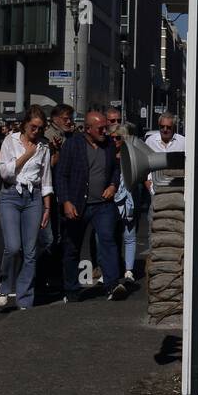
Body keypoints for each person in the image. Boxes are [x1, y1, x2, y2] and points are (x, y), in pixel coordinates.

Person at [54, 110, 125, 302]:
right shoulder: (73, 145)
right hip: (78, 204)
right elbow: (60, 175)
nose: (105, 131)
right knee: (72, 247)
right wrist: (66, 201)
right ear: (87, 129)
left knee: (108, 240)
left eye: (106, 127)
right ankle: (71, 290)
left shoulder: (109, 144)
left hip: (103, 204)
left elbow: (115, 168)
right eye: (100, 128)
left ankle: (112, 285)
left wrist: (113, 185)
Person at [0, 105, 53, 311]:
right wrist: (27, 154)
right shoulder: (10, 141)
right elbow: (6, 173)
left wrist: (47, 208)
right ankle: (4, 284)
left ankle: (24, 299)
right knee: (13, 247)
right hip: (10, 195)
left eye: (40, 128)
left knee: (29, 252)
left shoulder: (45, 147)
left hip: (34, 198)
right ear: (25, 124)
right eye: (33, 127)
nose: (36, 132)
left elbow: (46, 179)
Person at [112, 127, 137, 283]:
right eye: (112, 137)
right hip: (110, 198)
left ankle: (129, 270)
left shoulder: (131, 155)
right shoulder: (107, 154)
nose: (115, 141)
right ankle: (111, 269)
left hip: (128, 197)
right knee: (109, 236)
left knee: (129, 235)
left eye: (118, 138)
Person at [144, 112, 186, 194]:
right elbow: (144, 165)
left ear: (174, 127)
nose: (165, 130)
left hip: (176, 187)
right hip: (155, 188)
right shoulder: (150, 141)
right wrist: (148, 184)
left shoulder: (183, 142)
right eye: (162, 127)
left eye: (168, 127)